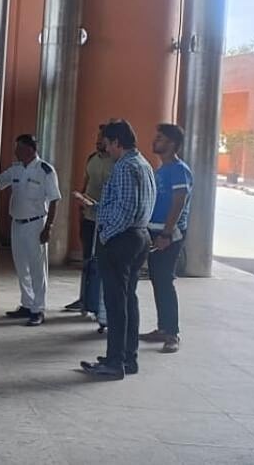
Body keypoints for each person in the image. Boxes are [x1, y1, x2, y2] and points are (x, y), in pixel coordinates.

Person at [80, 119, 155, 380]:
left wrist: (105, 235)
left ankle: (114, 362)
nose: (104, 147)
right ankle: (126, 357)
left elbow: (125, 211)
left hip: (122, 239)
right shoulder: (142, 164)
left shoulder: (124, 167)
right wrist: (98, 208)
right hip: (139, 237)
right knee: (127, 299)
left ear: (117, 142)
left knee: (115, 303)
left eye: (107, 143)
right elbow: (129, 204)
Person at [0, 134, 61, 326]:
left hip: (36, 224)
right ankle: (27, 304)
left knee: (37, 268)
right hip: (17, 223)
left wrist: (49, 227)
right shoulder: (16, 169)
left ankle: (38, 309)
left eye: (19, 148)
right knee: (21, 266)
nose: (15, 151)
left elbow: (54, 200)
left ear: (30, 149)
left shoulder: (45, 170)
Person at [139, 123, 193, 354]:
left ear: (171, 143)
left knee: (164, 280)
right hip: (154, 230)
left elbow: (178, 202)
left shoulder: (179, 170)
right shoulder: (161, 169)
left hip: (168, 233)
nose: (155, 141)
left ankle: (172, 333)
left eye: (160, 138)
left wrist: (167, 233)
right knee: (158, 280)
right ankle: (163, 328)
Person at [65, 125, 114, 320]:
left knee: (103, 262)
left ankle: (99, 303)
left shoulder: (118, 163)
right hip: (89, 216)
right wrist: (80, 209)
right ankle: (84, 298)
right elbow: (86, 184)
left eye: (102, 138)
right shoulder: (91, 159)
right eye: (97, 136)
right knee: (87, 260)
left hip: (107, 219)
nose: (98, 140)